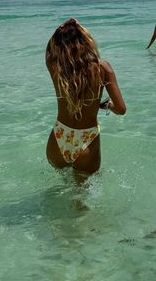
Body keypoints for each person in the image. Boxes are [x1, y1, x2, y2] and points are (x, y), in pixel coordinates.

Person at [45, 18, 126, 175]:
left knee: (59, 189)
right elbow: (121, 109)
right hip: (87, 139)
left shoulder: (56, 66)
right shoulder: (103, 68)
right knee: (80, 196)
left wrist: (61, 28)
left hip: (59, 137)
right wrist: (108, 105)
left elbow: (49, 50)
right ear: (86, 40)